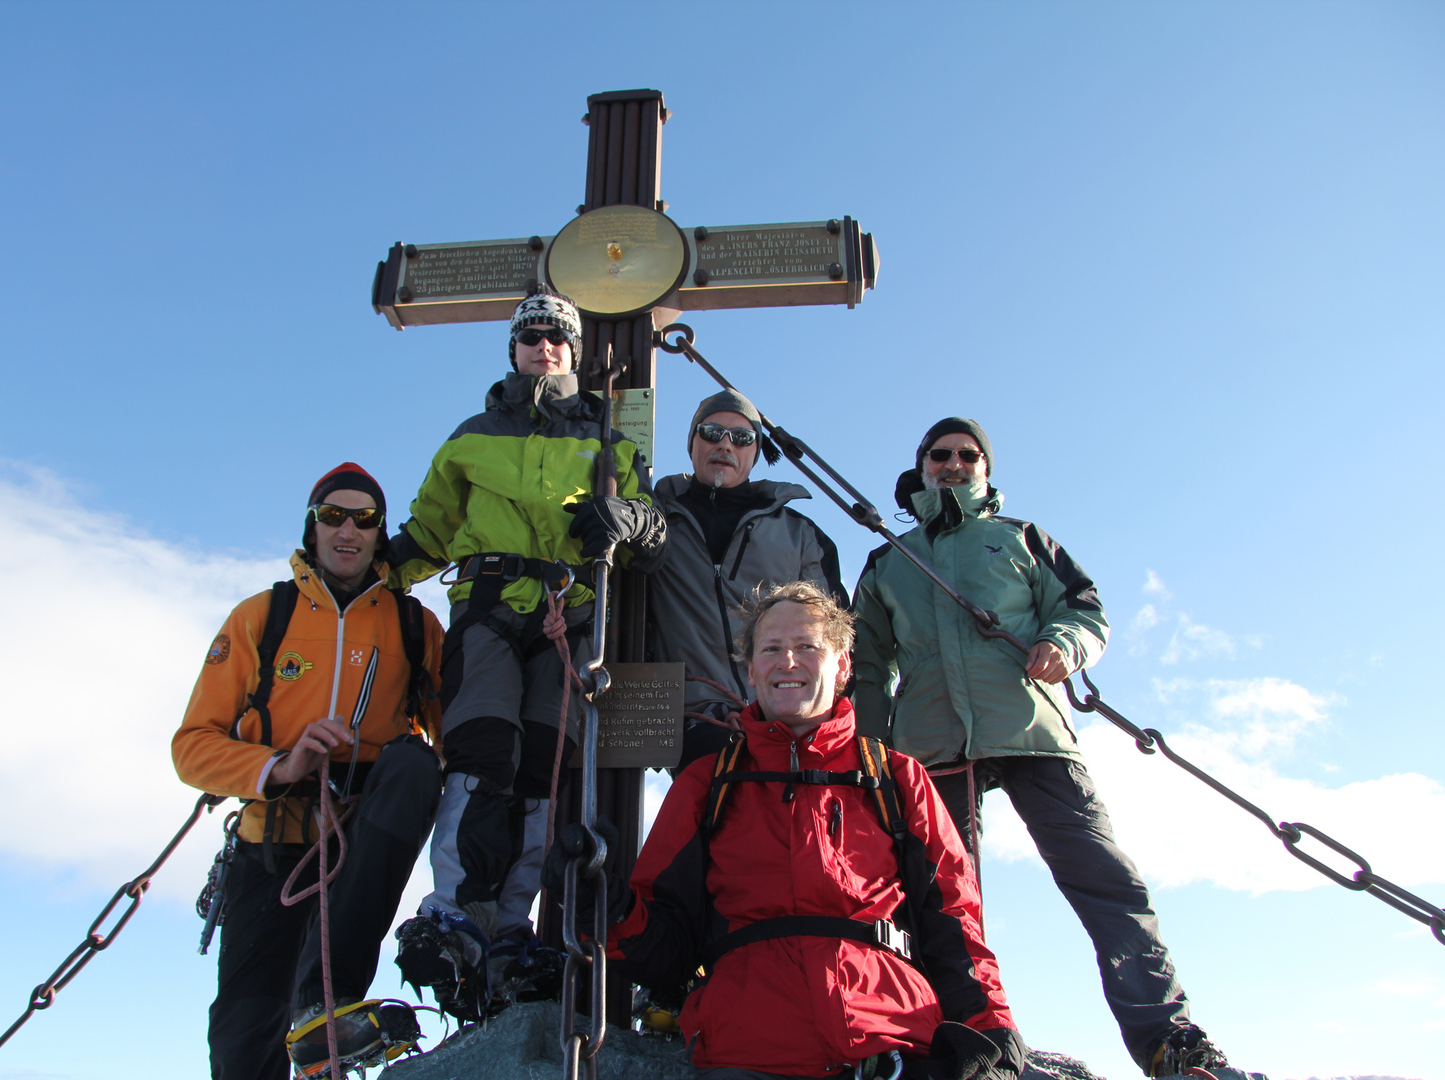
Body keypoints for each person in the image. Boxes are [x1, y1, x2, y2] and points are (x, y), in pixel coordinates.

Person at [850, 418, 1230, 1078]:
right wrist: (874, 756)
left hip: (1036, 731)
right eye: (941, 455)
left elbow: (1085, 608)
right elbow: (868, 667)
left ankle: (1171, 1042)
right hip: (933, 745)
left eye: (969, 455)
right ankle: (968, 1041)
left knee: (1108, 881)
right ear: (922, 467)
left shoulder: (1021, 539)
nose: (955, 464)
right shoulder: (890, 559)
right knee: (940, 900)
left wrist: (1065, 645)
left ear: (986, 470)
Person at [549, 581, 1026, 1080]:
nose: (788, 662)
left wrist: (992, 1030)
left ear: (842, 666)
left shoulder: (896, 778)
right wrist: (601, 906)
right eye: (771, 649)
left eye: (807, 647)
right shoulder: (706, 784)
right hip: (746, 1052)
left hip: (894, 1043)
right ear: (751, 670)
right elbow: (665, 950)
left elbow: (953, 919)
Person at [386, 285, 667, 1019]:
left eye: (557, 338)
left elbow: (650, 533)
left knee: (543, 771)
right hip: (486, 609)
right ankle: (454, 915)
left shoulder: (608, 440)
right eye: (531, 336)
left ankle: (512, 927)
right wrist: (364, 574)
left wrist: (628, 517)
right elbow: (431, 530)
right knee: (483, 757)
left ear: (574, 351)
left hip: (565, 620)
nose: (544, 347)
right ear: (512, 348)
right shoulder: (473, 434)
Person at [172, 463, 445, 1080]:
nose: (347, 529)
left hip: (357, 839)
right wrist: (281, 764)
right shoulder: (262, 616)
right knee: (244, 1039)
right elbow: (192, 746)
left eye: (365, 519)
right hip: (269, 846)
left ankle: (332, 998)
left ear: (380, 536)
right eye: (333, 516)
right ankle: (307, 1018)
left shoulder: (413, 625)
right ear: (312, 527)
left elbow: (459, 739)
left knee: (413, 761)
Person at [647, 388, 848, 769]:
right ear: (692, 443)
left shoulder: (801, 535)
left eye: (741, 438)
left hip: (784, 716)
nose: (725, 444)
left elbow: (835, 638)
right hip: (695, 720)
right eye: (711, 432)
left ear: (755, 452)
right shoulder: (655, 523)